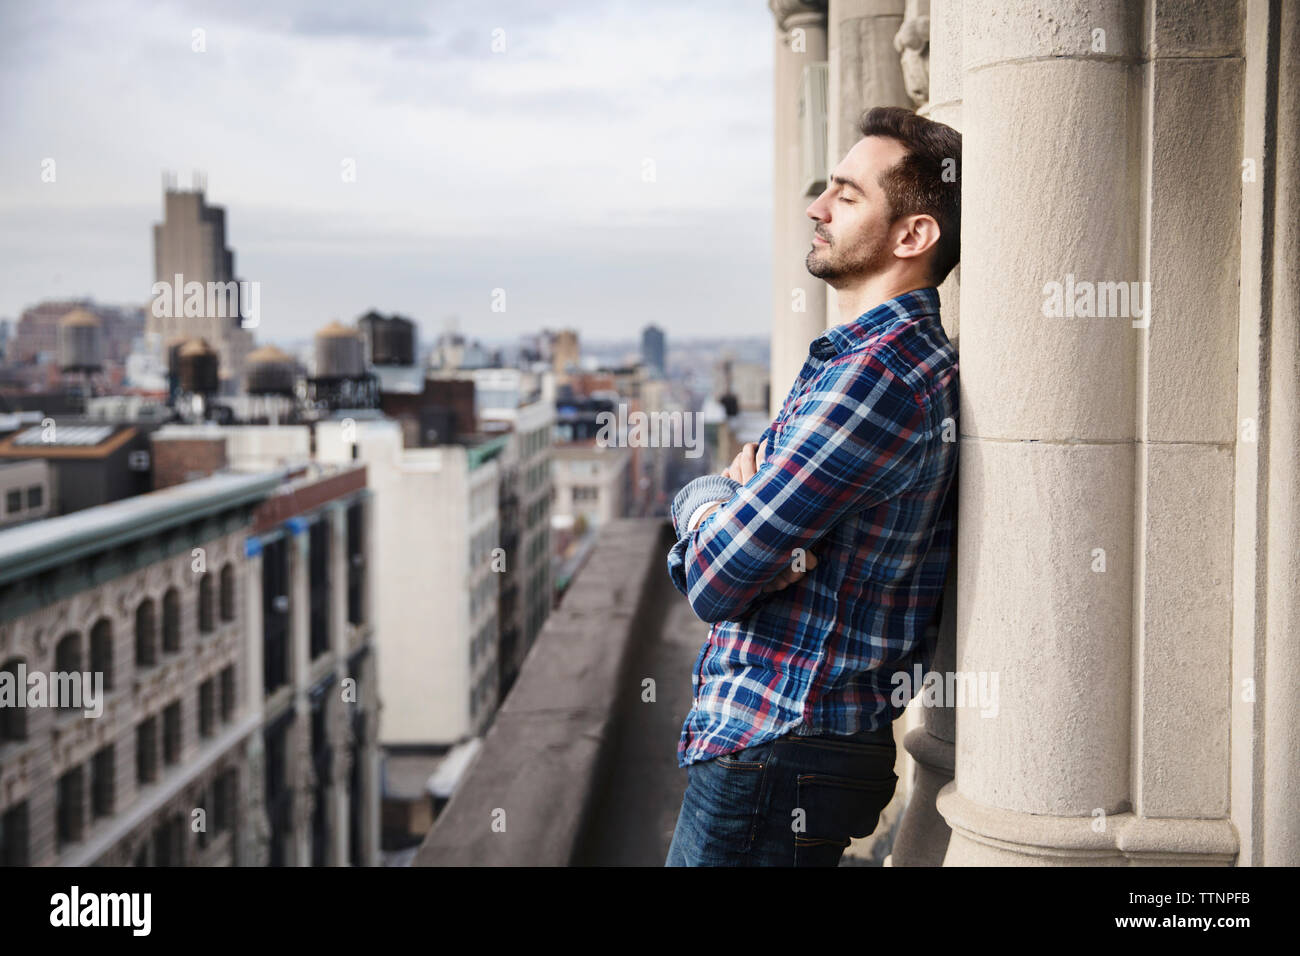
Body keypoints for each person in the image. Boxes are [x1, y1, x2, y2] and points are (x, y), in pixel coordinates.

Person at [664, 106, 961, 867]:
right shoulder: (854, 361)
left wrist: (705, 500)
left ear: (912, 236)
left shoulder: (878, 375)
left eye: (847, 195)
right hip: (782, 751)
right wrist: (747, 526)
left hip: (778, 750)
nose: (816, 208)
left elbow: (714, 576)